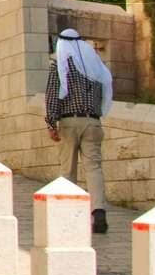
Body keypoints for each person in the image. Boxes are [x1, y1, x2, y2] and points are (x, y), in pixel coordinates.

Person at [44, 27, 114, 234]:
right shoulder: (94, 65)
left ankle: (69, 213)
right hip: (92, 122)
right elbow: (104, 91)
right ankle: (98, 212)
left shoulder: (60, 64)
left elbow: (52, 96)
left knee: (68, 169)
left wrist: (51, 123)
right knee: (94, 168)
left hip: (69, 122)